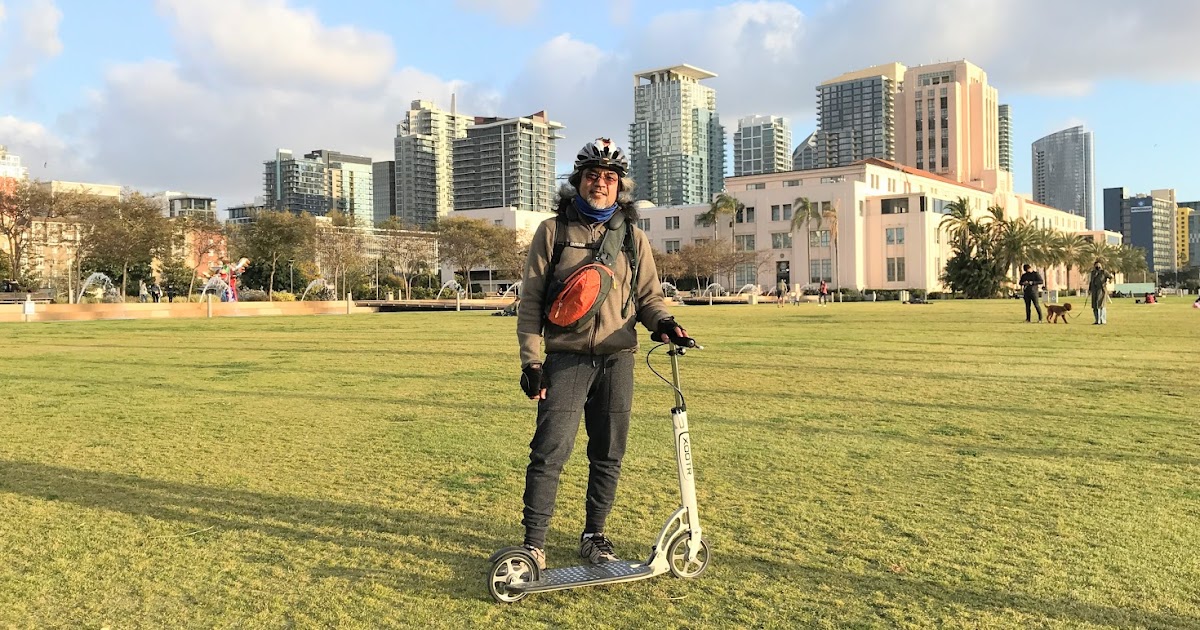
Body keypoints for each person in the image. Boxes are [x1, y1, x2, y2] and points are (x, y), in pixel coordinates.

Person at [515, 138, 686, 571]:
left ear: (620, 186)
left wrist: (664, 323)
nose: (601, 183)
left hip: (618, 357)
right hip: (566, 358)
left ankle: (595, 535)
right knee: (550, 451)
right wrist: (531, 361)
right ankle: (534, 543)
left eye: (610, 178)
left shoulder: (633, 237)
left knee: (608, 452)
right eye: (593, 175)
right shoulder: (552, 233)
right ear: (578, 181)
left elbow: (648, 297)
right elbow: (532, 301)